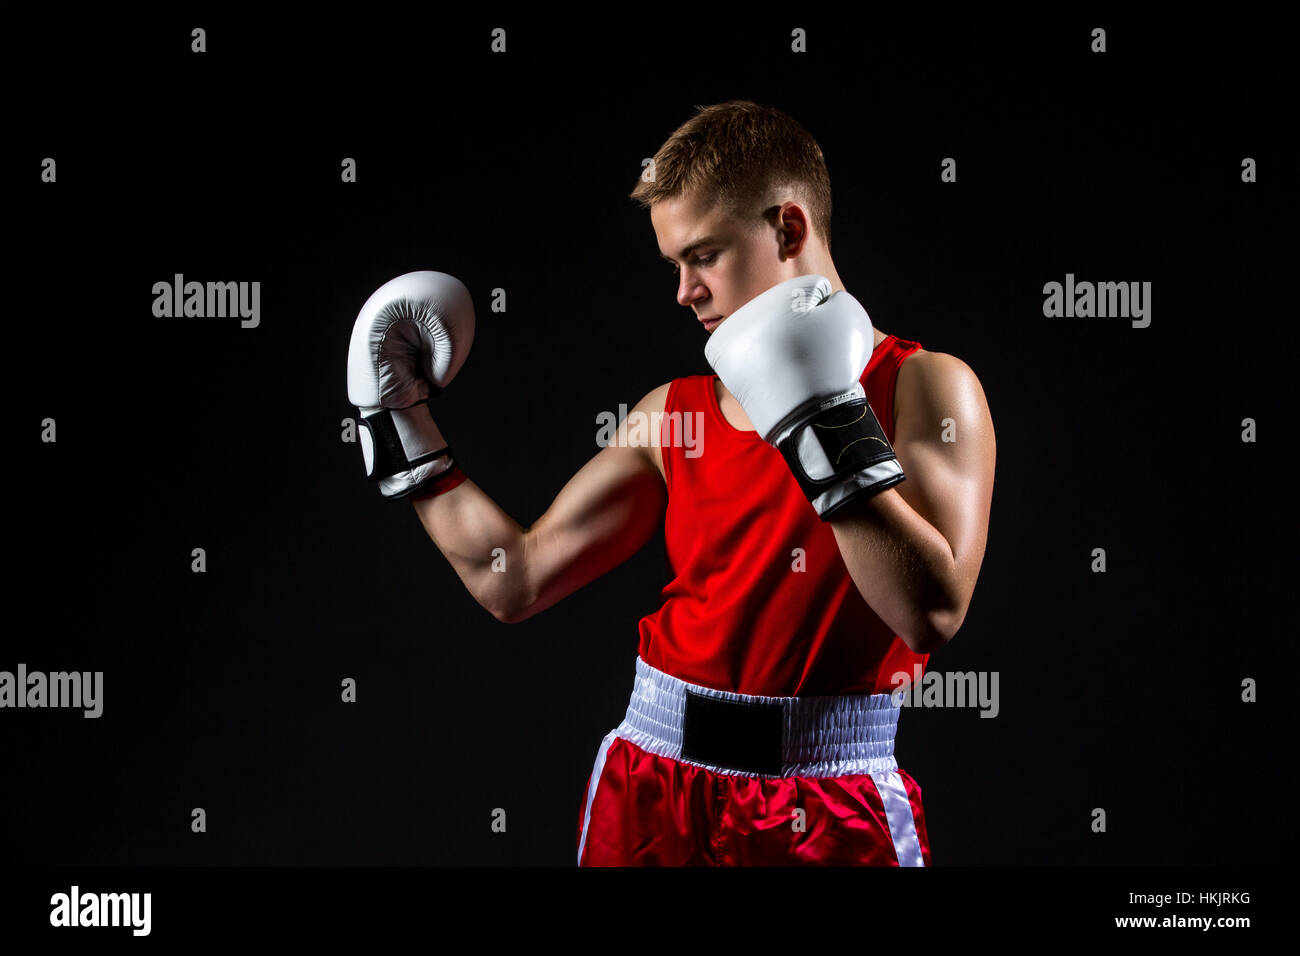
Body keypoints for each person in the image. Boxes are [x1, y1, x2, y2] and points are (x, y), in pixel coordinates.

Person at [347, 100, 996, 866]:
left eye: (704, 256)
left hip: (829, 798)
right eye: (673, 265)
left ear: (788, 229)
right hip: (655, 784)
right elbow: (512, 579)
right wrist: (398, 421)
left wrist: (821, 417)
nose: (684, 291)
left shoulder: (924, 387)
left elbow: (932, 613)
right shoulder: (673, 416)